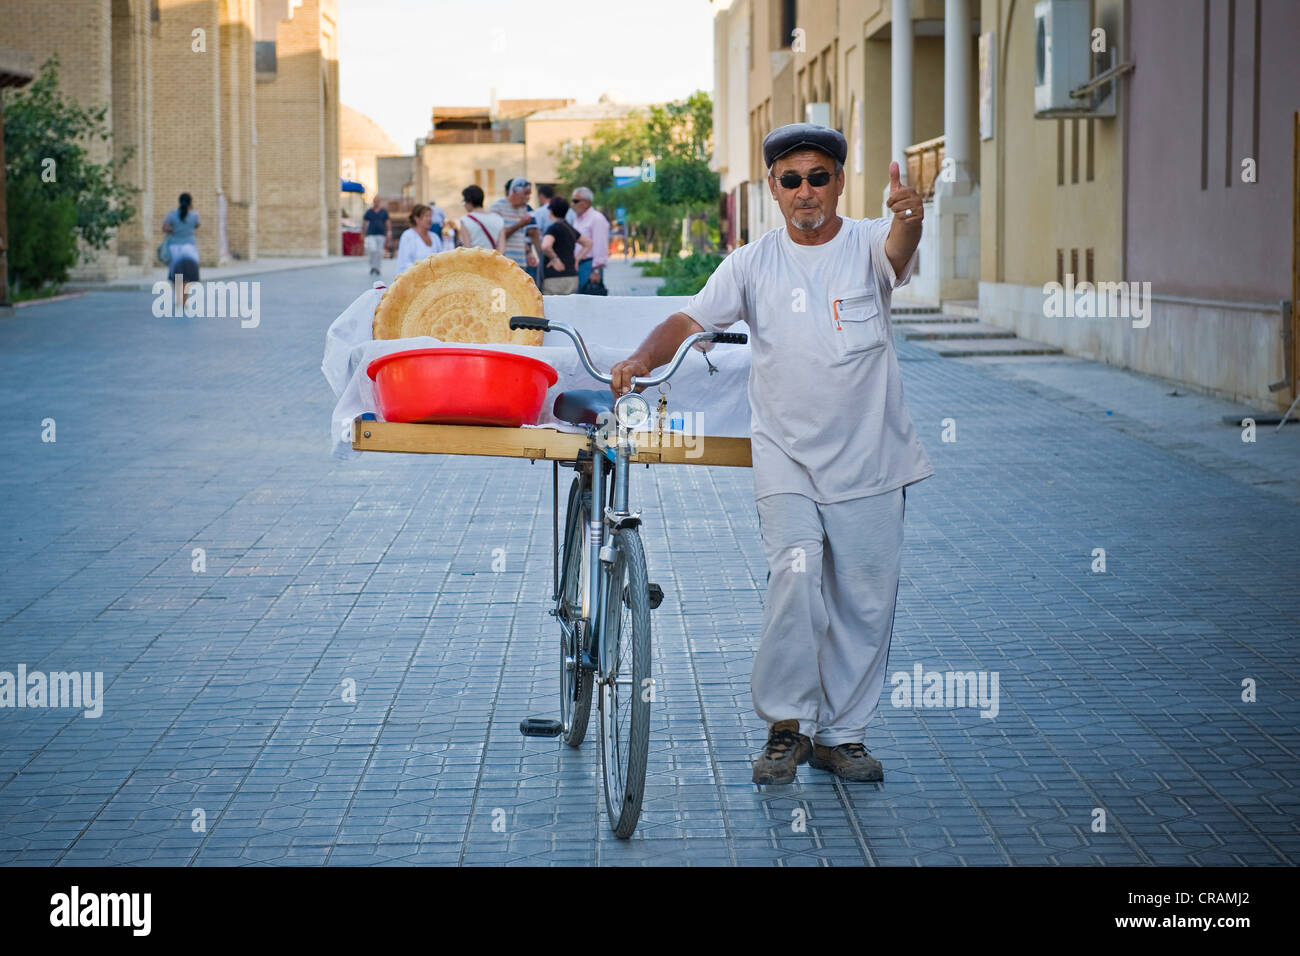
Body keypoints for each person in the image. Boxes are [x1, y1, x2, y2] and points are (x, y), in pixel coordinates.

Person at [609, 123, 933, 786]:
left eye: (819, 177)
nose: (806, 191)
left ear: (839, 181)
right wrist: (643, 357)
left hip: (873, 457)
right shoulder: (751, 263)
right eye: (792, 180)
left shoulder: (869, 242)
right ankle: (788, 728)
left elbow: (899, 255)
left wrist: (911, 220)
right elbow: (692, 321)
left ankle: (841, 738)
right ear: (773, 189)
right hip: (786, 456)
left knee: (864, 600)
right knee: (793, 579)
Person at [539, 196, 591, 295]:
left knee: (553, 309)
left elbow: (545, 246)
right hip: (572, 277)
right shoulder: (570, 228)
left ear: (551, 210)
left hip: (554, 278)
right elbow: (588, 243)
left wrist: (555, 258)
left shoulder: (553, 228)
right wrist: (577, 259)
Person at [491, 178, 540, 273]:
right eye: (525, 193)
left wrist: (529, 252)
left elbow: (521, 237)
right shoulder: (497, 207)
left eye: (529, 194)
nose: (528, 197)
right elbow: (496, 237)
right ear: (514, 192)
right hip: (504, 263)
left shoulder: (524, 208)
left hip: (521, 263)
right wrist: (519, 225)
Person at [160, 192, 200, 306]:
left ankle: (178, 300)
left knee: (177, 275)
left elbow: (164, 228)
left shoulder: (172, 215)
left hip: (175, 248)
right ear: (190, 202)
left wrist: (173, 231)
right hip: (190, 249)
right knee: (187, 277)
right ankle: (184, 302)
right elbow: (197, 226)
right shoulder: (194, 215)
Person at [570, 186, 609, 291]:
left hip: (590, 265)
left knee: (589, 300)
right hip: (580, 265)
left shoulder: (597, 218)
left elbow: (600, 246)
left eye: (575, 201)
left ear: (586, 202)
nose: (572, 204)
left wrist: (596, 271)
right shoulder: (578, 219)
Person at [393, 204, 443, 272]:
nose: (430, 219)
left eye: (430, 216)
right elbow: (405, 263)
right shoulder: (408, 236)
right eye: (426, 216)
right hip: (414, 278)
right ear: (416, 219)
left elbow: (441, 258)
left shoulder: (435, 237)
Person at [457, 184, 505, 251]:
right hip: (493, 260)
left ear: (469, 201)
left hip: (475, 260)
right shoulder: (498, 219)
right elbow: (502, 249)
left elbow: (467, 249)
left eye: (463, 202)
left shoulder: (465, 220)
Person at [362, 196, 390, 277]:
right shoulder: (369, 212)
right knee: (372, 250)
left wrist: (389, 232)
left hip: (381, 234)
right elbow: (364, 222)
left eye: (377, 201)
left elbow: (387, 222)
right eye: (375, 201)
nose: (376, 203)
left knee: (379, 251)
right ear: (373, 202)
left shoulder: (384, 212)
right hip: (371, 234)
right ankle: (372, 266)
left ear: (379, 202)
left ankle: (377, 267)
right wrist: (363, 232)